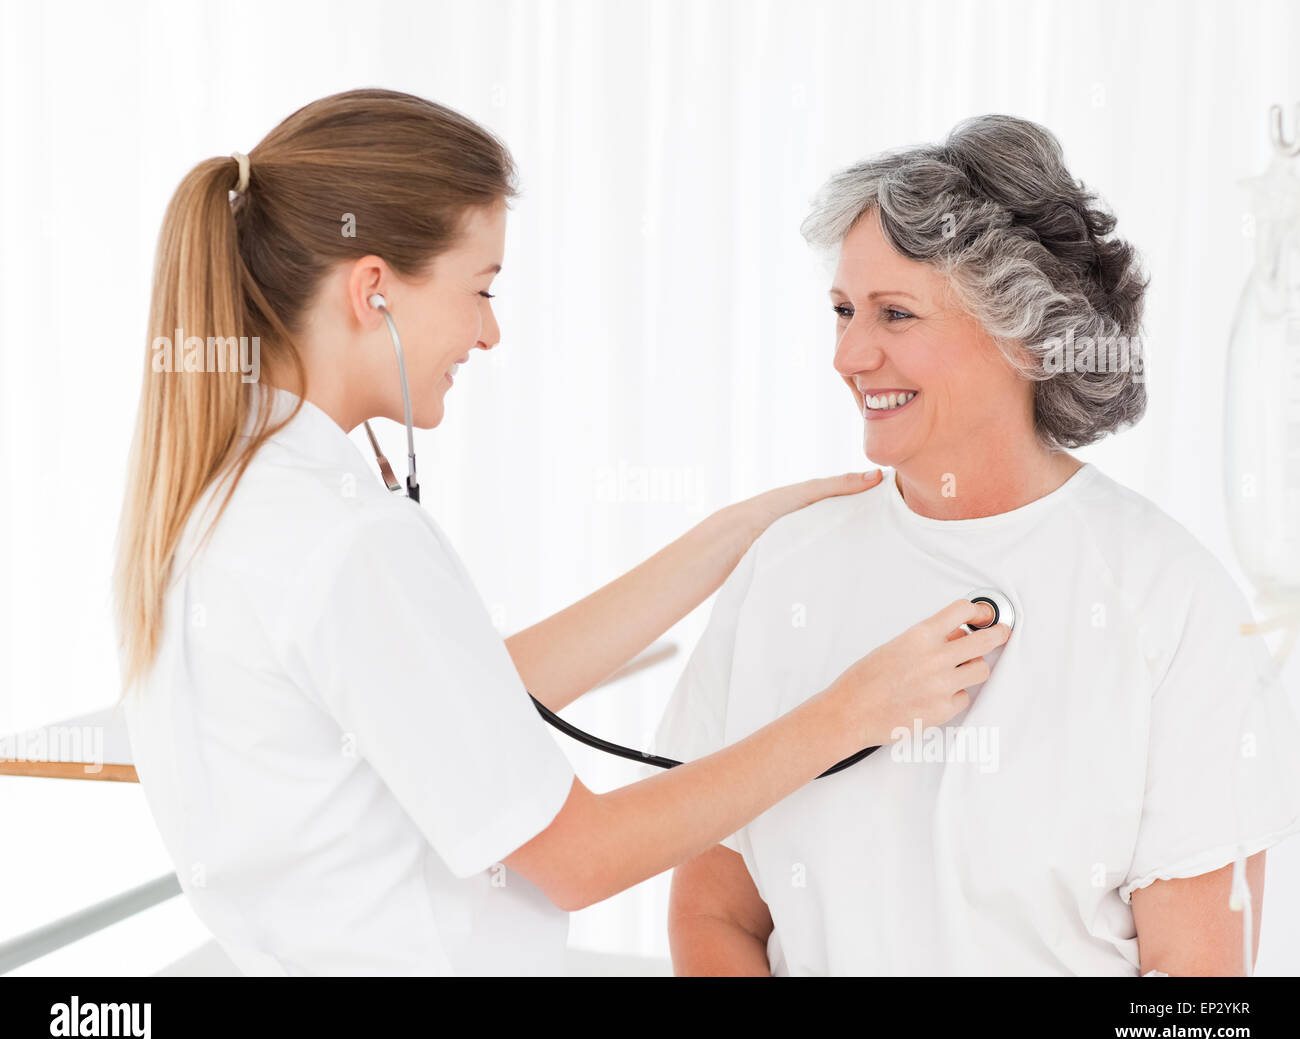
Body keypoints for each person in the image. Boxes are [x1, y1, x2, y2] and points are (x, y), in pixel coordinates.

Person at [113, 88, 1009, 976]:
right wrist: (860, 710)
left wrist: (727, 538)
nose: (489, 333)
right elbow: (580, 859)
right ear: (374, 292)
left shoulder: (234, 496)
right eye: (480, 290)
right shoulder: (348, 539)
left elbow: (455, 695)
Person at [659, 114, 1300, 977]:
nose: (849, 354)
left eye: (894, 313)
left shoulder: (1167, 597)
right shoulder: (787, 566)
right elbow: (714, 915)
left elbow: (1195, 994)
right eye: (843, 310)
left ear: (1024, 331)